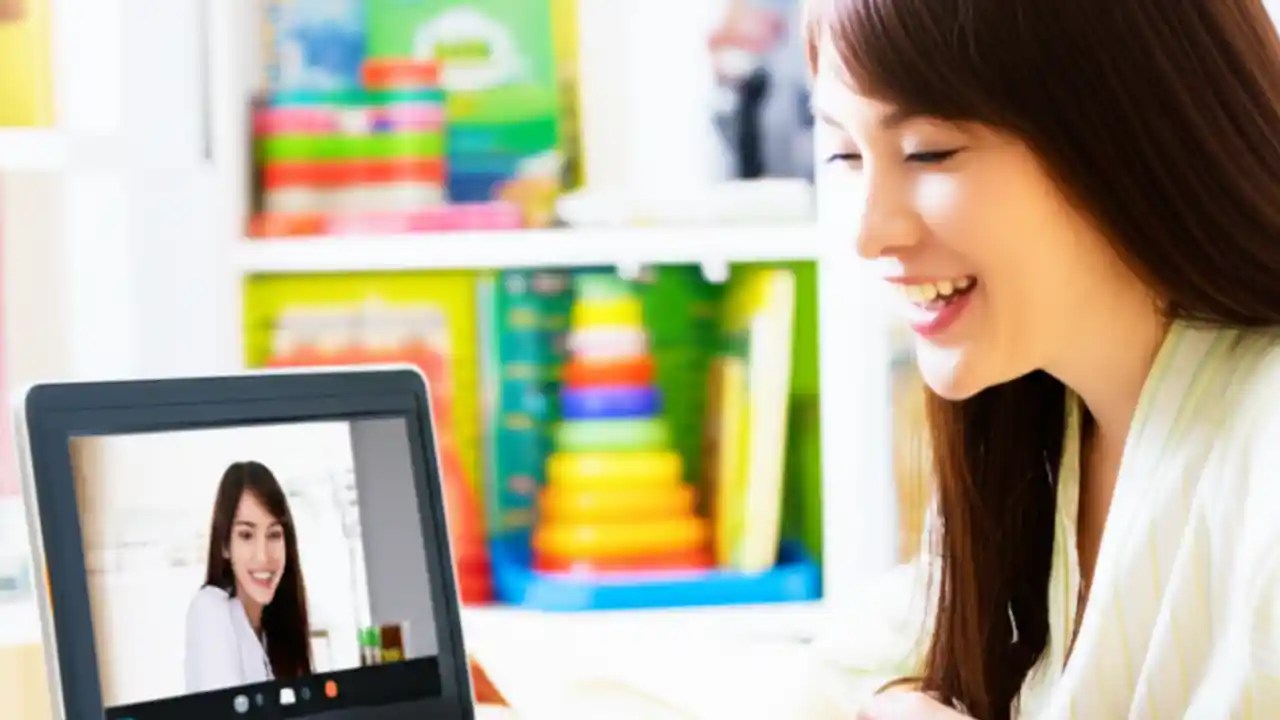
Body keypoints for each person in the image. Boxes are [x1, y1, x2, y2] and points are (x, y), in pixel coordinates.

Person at [470, 0, 1280, 717]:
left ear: (1129, 135)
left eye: (928, 153)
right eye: (848, 156)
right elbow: (844, 671)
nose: (869, 232)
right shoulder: (1038, 424)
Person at [185, 461, 313, 693]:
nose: (263, 556)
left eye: (274, 534)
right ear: (225, 545)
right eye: (246, 535)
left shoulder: (276, 627)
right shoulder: (211, 609)